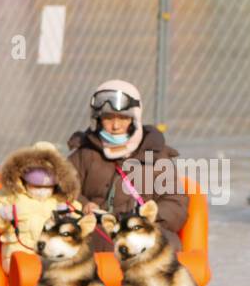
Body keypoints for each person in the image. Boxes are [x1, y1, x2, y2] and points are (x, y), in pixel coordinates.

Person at [67, 80, 189, 251]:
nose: (116, 126)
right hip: (98, 229)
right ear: (98, 120)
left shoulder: (156, 155)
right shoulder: (85, 153)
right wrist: (84, 204)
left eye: (123, 118)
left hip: (144, 229)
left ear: (134, 119)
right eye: (108, 117)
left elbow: (176, 203)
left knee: (167, 247)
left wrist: (148, 217)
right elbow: (64, 190)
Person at [0, 142, 82, 271]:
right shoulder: (12, 195)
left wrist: (70, 216)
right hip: (19, 255)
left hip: (52, 255)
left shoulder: (60, 199)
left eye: (47, 187)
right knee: (27, 272)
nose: (41, 191)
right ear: (24, 180)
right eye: (36, 186)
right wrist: (1, 214)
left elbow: (79, 218)